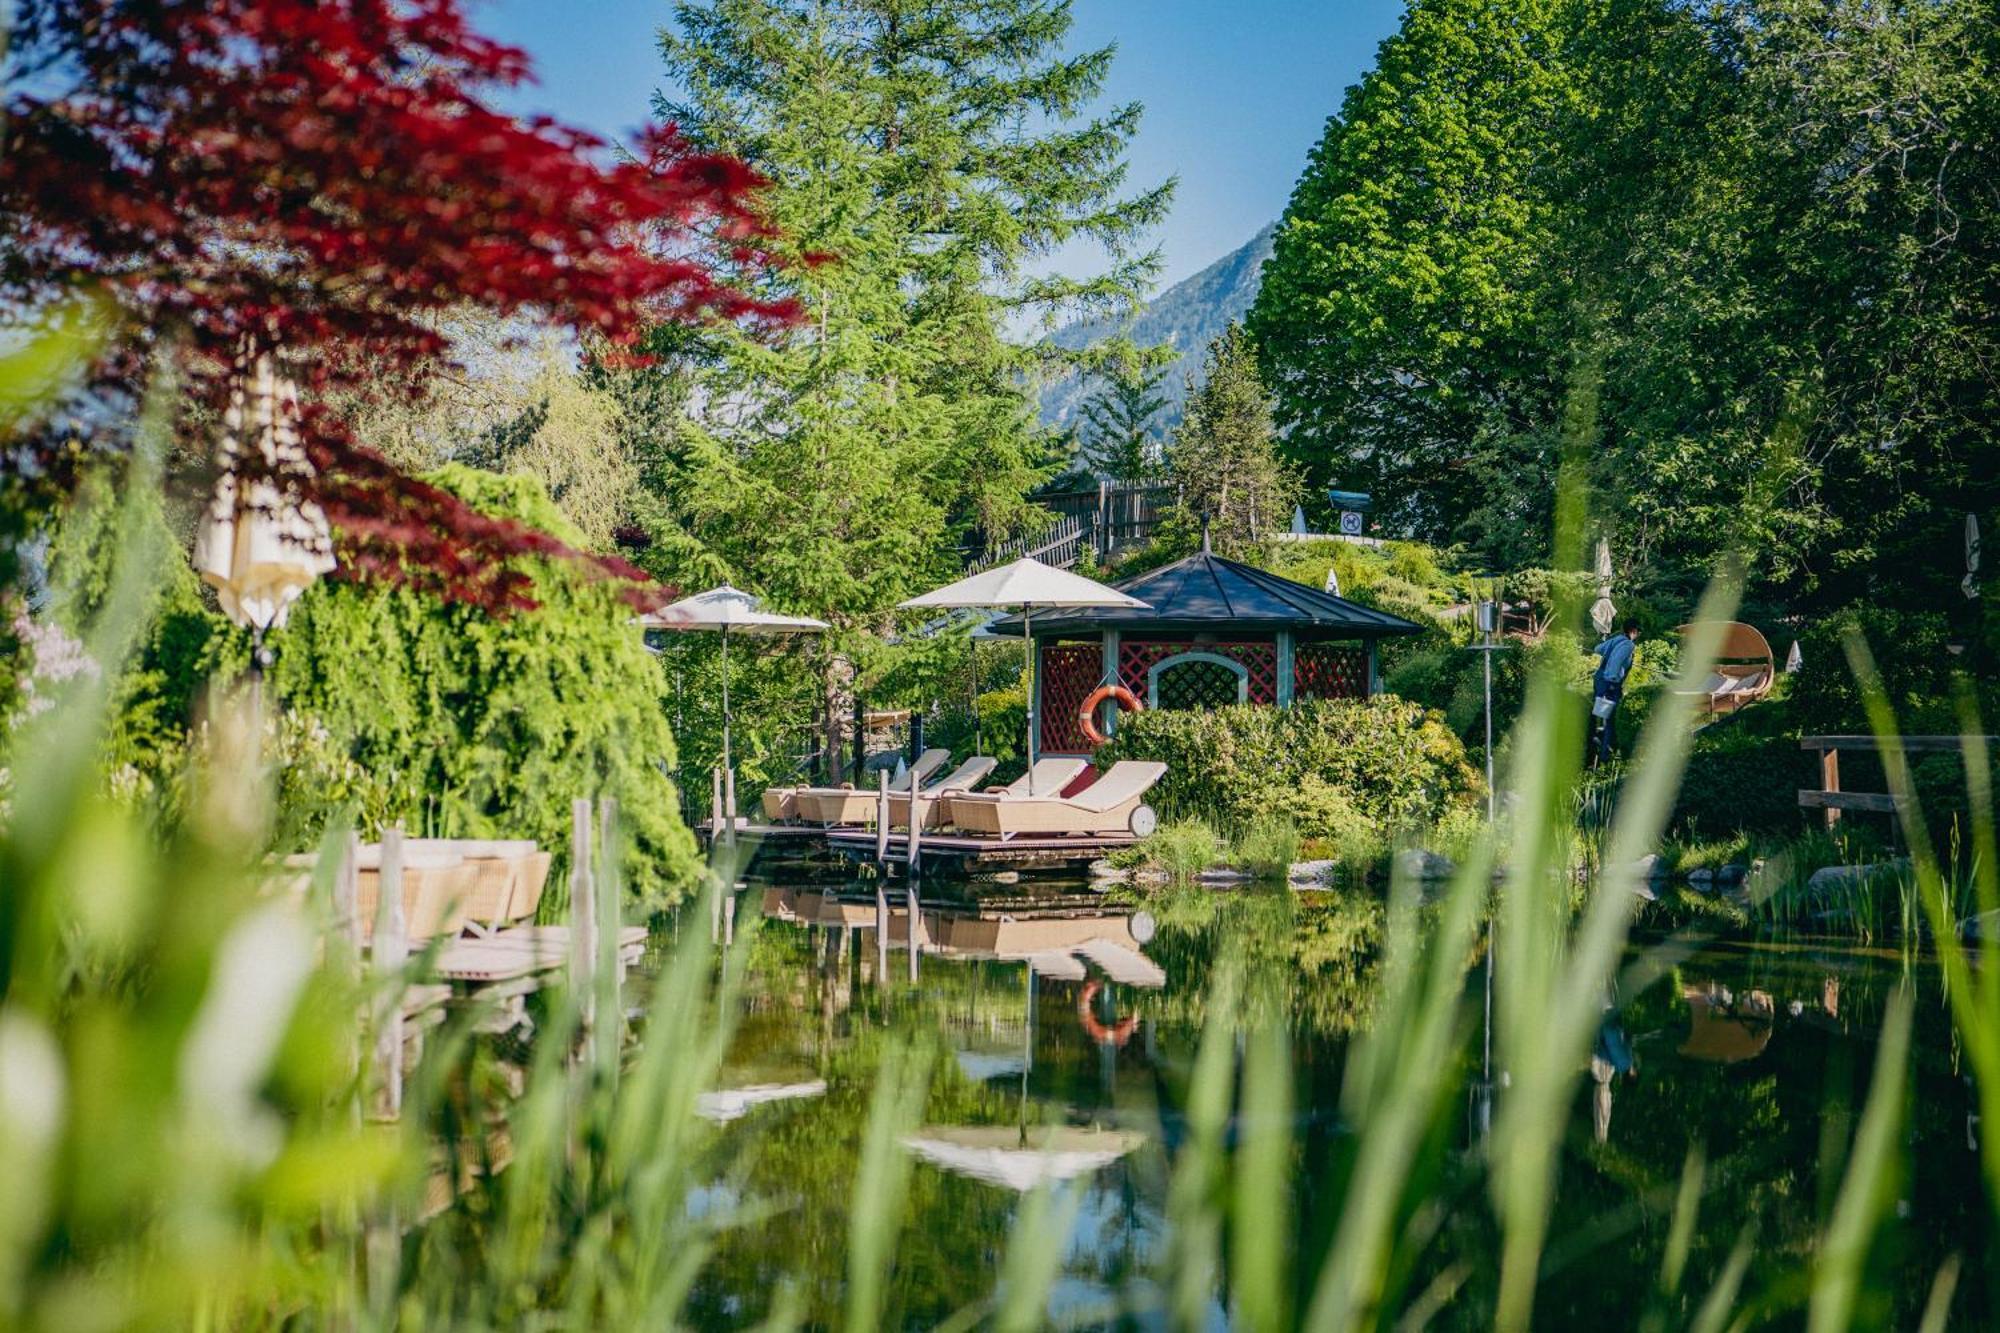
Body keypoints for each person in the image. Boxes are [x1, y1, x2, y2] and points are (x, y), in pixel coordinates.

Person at [1589, 619, 1639, 766]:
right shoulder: (1628, 644)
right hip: (1609, 683)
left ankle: (1595, 745)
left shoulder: (1616, 640)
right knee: (1610, 720)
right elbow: (1616, 663)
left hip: (1599, 679)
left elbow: (1597, 649)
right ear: (1633, 631)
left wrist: (1610, 646)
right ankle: (1605, 756)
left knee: (1600, 714)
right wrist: (1611, 684)